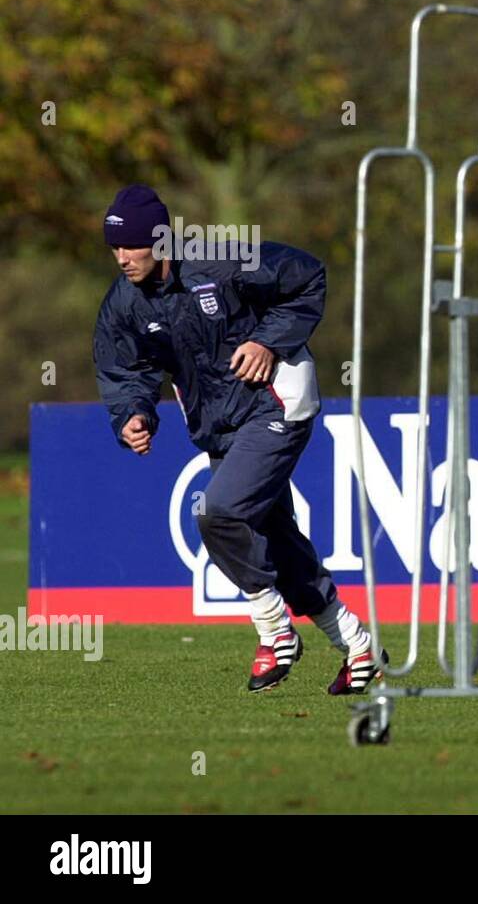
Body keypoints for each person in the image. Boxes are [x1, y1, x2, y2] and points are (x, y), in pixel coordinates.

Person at [92, 183, 383, 694]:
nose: (122, 257)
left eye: (130, 245)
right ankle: (359, 648)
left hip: (277, 406)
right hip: (220, 429)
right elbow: (126, 368)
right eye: (114, 246)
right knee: (278, 546)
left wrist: (267, 342)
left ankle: (275, 632)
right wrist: (132, 414)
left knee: (217, 511)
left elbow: (308, 276)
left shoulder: (222, 260)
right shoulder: (125, 304)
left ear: (159, 241)